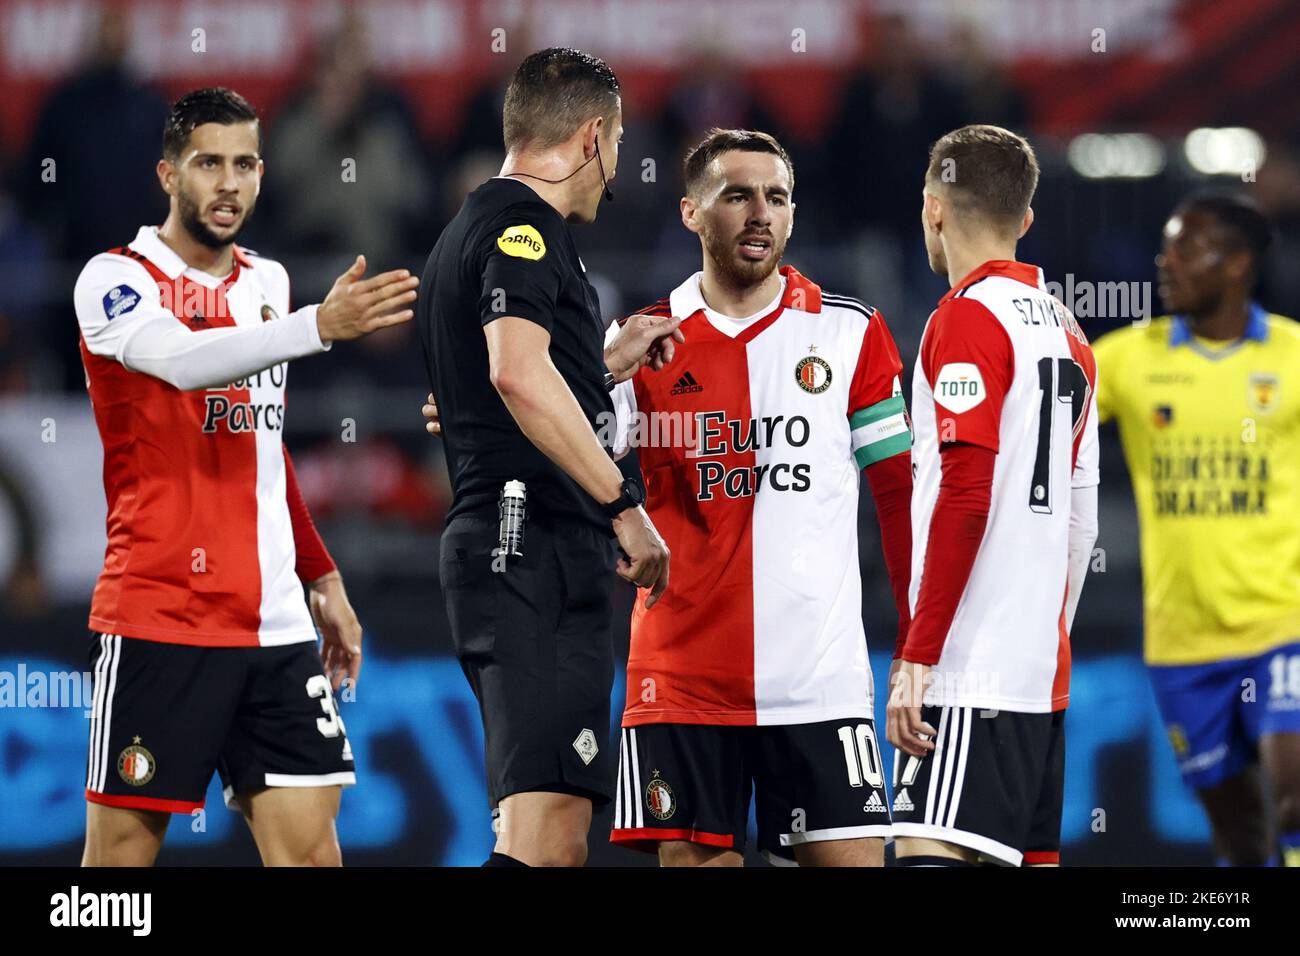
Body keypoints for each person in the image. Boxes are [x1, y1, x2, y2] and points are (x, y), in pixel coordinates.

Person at [73, 87, 418, 866]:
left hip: (276, 627)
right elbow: (188, 364)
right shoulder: (114, 279)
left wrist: (320, 574)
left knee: (310, 856)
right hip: (161, 616)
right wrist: (318, 328)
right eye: (207, 164)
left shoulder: (270, 283)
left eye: (244, 165)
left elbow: (265, 445)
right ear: (168, 174)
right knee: (115, 877)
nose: (228, 183)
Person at [603, 129, 913, 866]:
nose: (759, 214)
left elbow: (899, 499)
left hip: (822, 685)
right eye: (737, 196)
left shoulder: (850, 333)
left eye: (776, 198)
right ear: (691, 213)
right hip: (681, 682)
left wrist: (914, 645)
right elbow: (569, 458)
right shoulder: (639, 341)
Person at [416, 48, 678, 868]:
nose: (617, 170)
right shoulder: (524, 227)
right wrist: (623, 508)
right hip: (528, 547)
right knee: (543, 837)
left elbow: (501, 383)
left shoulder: (476, 225)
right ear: (594, 136)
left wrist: (603, 361)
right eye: (622, 144)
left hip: (516, 547)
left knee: (547, 832)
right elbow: (516, 373)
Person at [886, 124, 1100, 867]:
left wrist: (919, 655)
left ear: (932, 210)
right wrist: (1045, 642)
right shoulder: (1073, 335)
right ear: (1026, 219)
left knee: (923, 851)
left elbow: (966, 495)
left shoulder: (964, 319)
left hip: (969, 668)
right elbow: (1081, 522)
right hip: (1038, 679)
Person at [1092, 193, 1300, 867]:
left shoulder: (1294, 358)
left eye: (1187, 248)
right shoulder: (1128, 359)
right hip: (1181, 640)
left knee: (1291, 794)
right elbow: (1039, 419)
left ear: (1239, 264)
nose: (1166, 262)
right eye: (1165, 247)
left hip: (1280, 621)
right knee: (1239, 838)